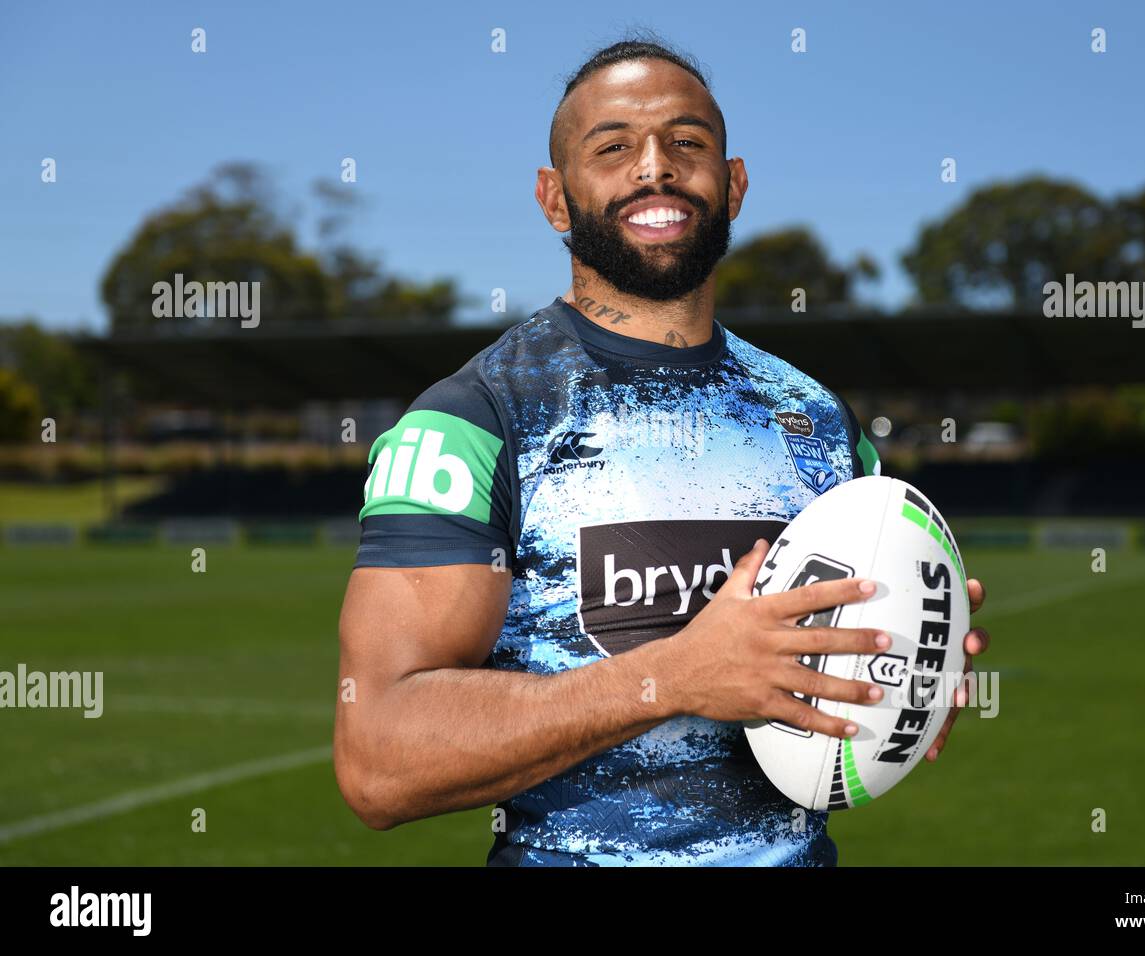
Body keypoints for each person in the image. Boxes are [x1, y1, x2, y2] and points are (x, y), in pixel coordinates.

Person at [333, 36, 989, 866]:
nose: (656, 168)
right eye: (611, 148)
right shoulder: (473, 420)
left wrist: (910, 659)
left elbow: (846, 677)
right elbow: (377, 758)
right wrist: (675, 678)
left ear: (735, 183)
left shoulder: (817, 418)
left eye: (688, 143)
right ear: (553, 197)